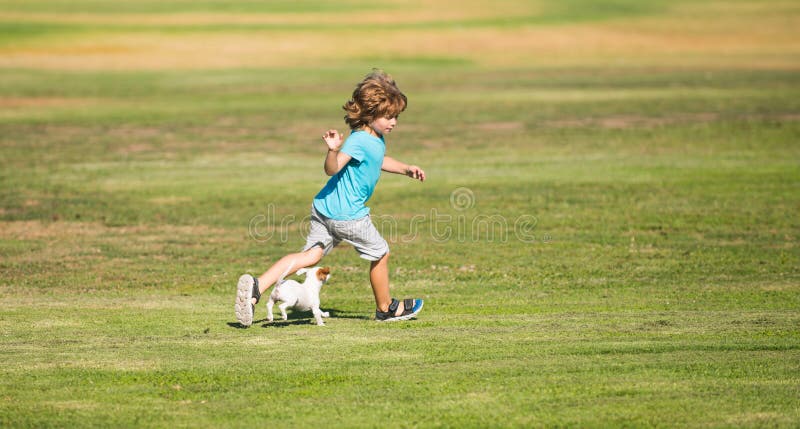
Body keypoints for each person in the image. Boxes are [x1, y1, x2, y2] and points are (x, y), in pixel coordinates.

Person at [234, 69, 426, 327]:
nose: (394, 122)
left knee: (311, 257)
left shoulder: (375, 139)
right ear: (370, 114)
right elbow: (333, 169)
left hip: (324, 207)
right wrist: (332, 151)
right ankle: (386, 308)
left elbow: (378, 160)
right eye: (389, 116)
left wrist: (405, 169)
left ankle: (257, 288)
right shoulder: (358, 141)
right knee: (380, 253)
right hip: (347, 215)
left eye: (396, 117)